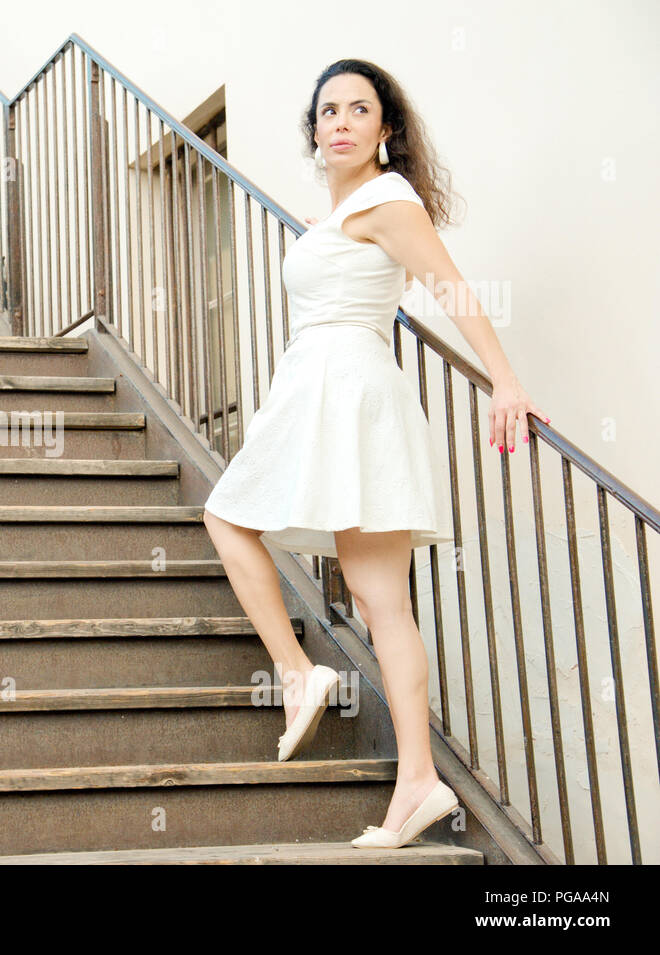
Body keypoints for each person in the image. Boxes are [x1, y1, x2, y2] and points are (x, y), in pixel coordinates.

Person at [201, 58, 549, 849]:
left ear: (385, 128)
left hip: (348, 391)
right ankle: (416, 780)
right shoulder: (341, 212)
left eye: (361, 109)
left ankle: (305, 678)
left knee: (232, 519)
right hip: (328, 391)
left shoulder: (387, 199)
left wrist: (505, 381)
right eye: (329, 111)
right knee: (374, 598)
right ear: (315, 130)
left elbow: (452, 287)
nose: (342, 122)